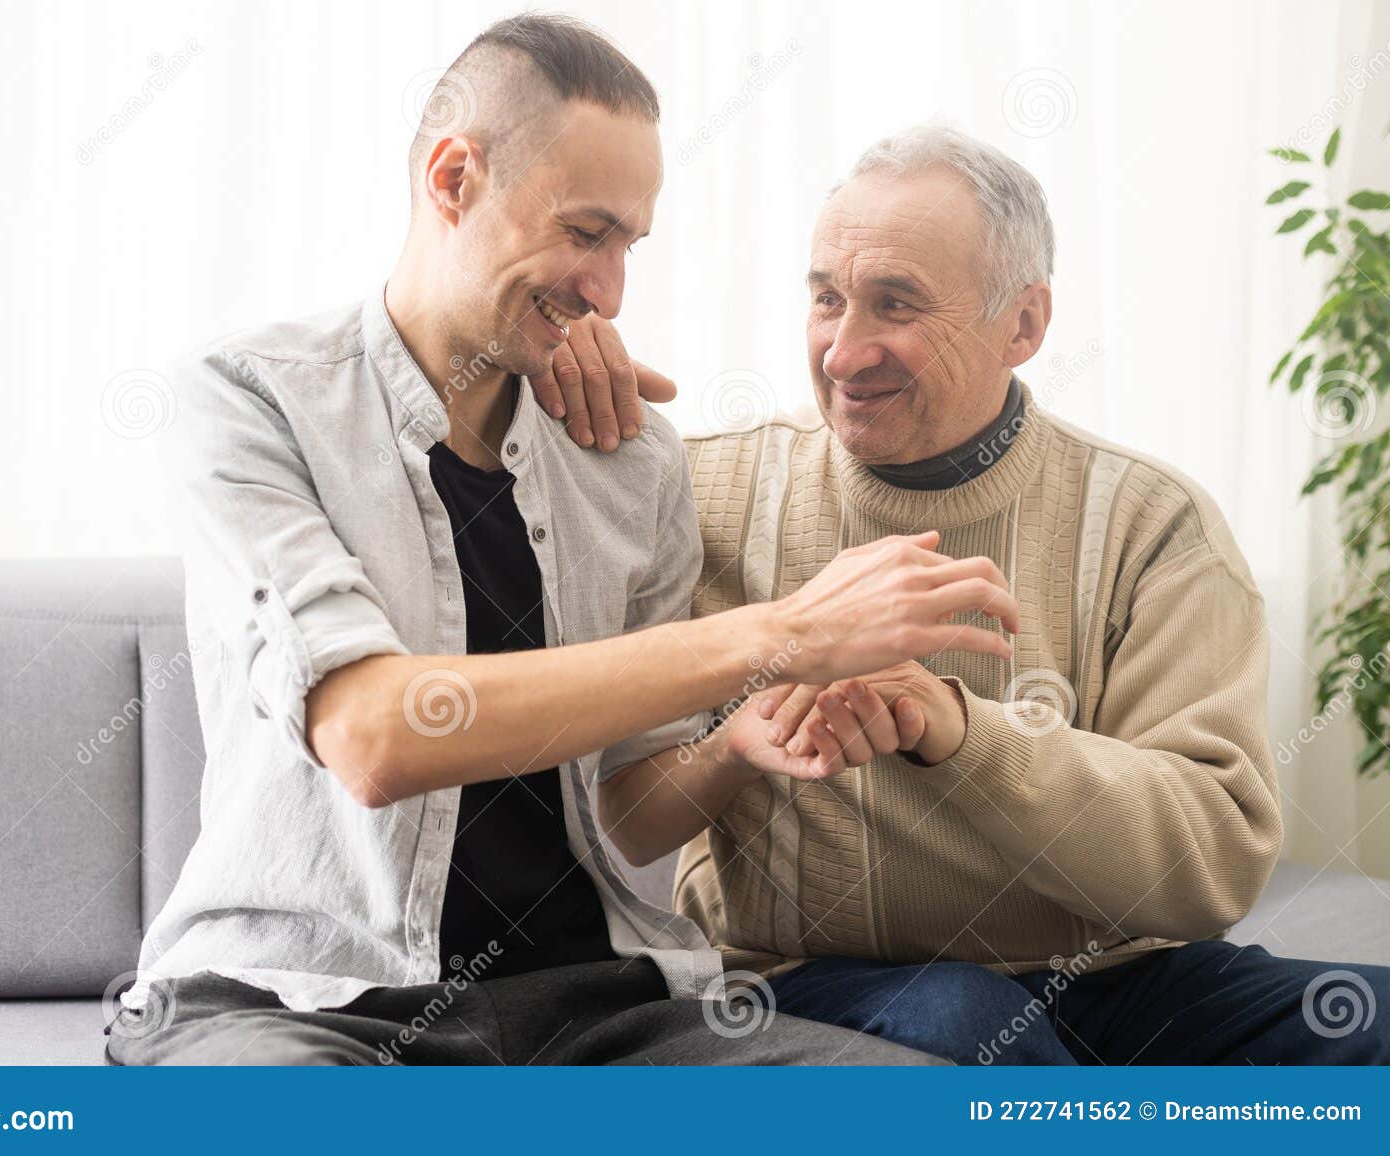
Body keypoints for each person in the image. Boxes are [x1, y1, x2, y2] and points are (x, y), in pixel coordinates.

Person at [105, 21, 1019, 1067]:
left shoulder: (627, 463)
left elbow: (627, 811)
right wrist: (785, 633)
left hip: (589, 1008)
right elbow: (372, 735)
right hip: (290, 1000)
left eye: (627, 242)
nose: (609, 290)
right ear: (454, 178)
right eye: (585, 232)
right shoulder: (252, 401)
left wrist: (731, 746)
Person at [557, 124, 1389, 1064]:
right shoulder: (702, 493)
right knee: (973, 1030)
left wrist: (959, 731)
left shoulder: (1156, 525)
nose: (843, 352)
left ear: (1025, 326)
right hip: (809, 979)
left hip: (1116, 976)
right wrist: (538, 372)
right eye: (827, 299)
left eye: (895, 304)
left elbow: (1218, 856)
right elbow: (617, 800)